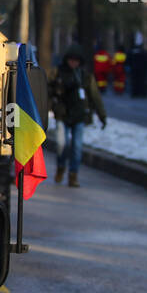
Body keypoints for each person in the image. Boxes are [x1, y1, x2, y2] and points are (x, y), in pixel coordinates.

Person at [50, 43, 107, 187]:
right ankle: (61, 167)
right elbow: (49, 92)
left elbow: (95, 96)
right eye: (71, 60)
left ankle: (73, 175)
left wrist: (102, 115)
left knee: (76, 147)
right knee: (62, 145)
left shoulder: (85, 76)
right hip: (63, 115)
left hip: (79, 115)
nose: (73, 63)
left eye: (76, 60)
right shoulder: (58, 73)